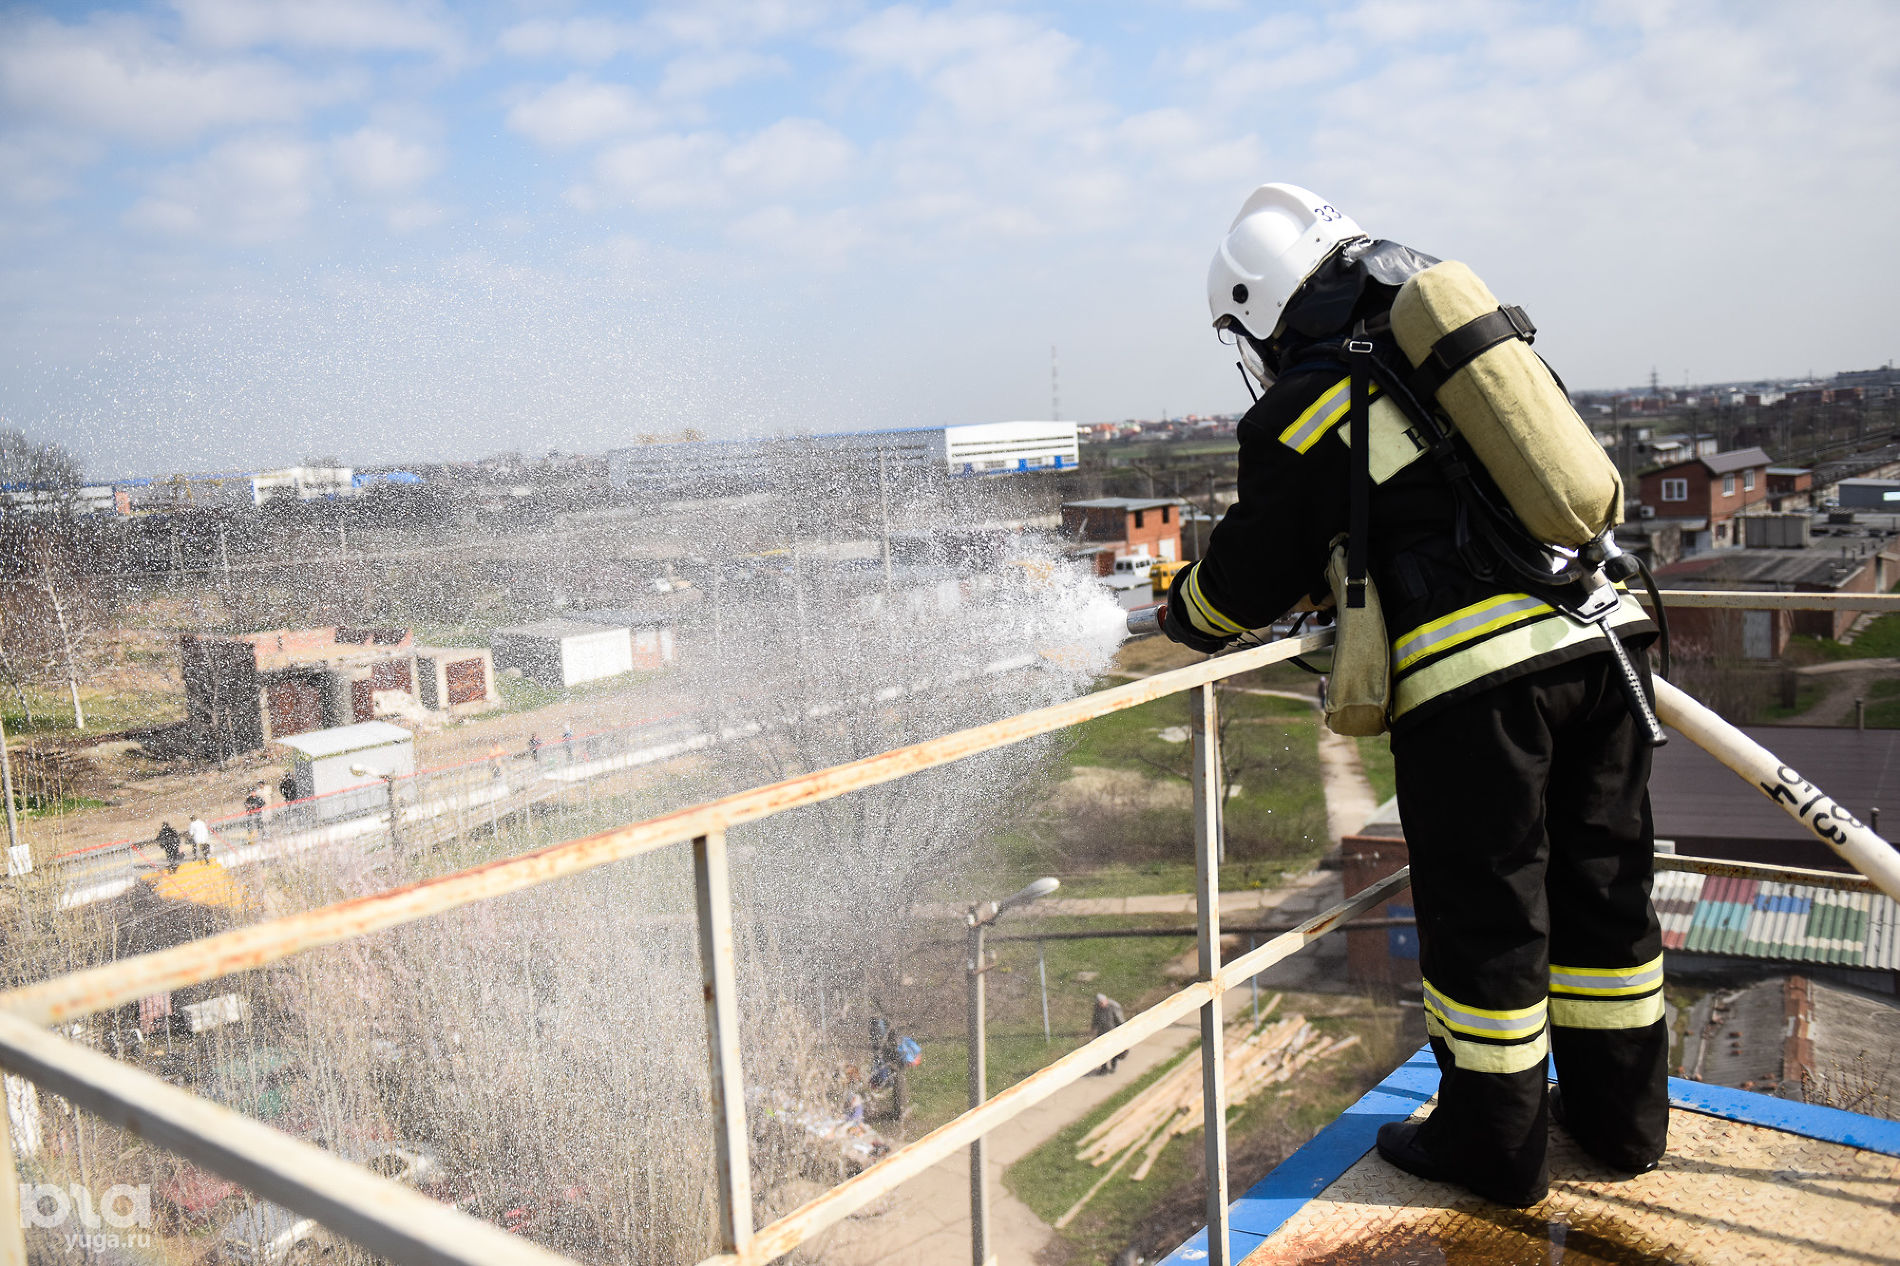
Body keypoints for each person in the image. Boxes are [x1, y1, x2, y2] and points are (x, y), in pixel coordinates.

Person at [1161, 183, 1665, 1206]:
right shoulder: (1447, 342)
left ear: (1261, 306)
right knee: (1604, 891)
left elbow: (1250, 578)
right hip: (1606, 643)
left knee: (1489, 918)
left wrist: (1184, 614)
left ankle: (1494, 1148)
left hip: (1482, 689)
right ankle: (1623, 1126)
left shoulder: (1304, 402)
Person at [1091, 993, 1126, 1074]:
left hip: (1112, 1033)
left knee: (1113, 1051)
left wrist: (1121, 1030)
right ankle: (1104, 1069)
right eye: (1100, 1003)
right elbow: (1095, 1019)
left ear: (1106, 1001)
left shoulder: (1112, 1008)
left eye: (1102, 1002)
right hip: (1102, 1033)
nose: (1101, 1004)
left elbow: (1119, 1019)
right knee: (1103, 1052)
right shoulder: (1097, 1009)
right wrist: (1093, 1028)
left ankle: (1113, 1067)